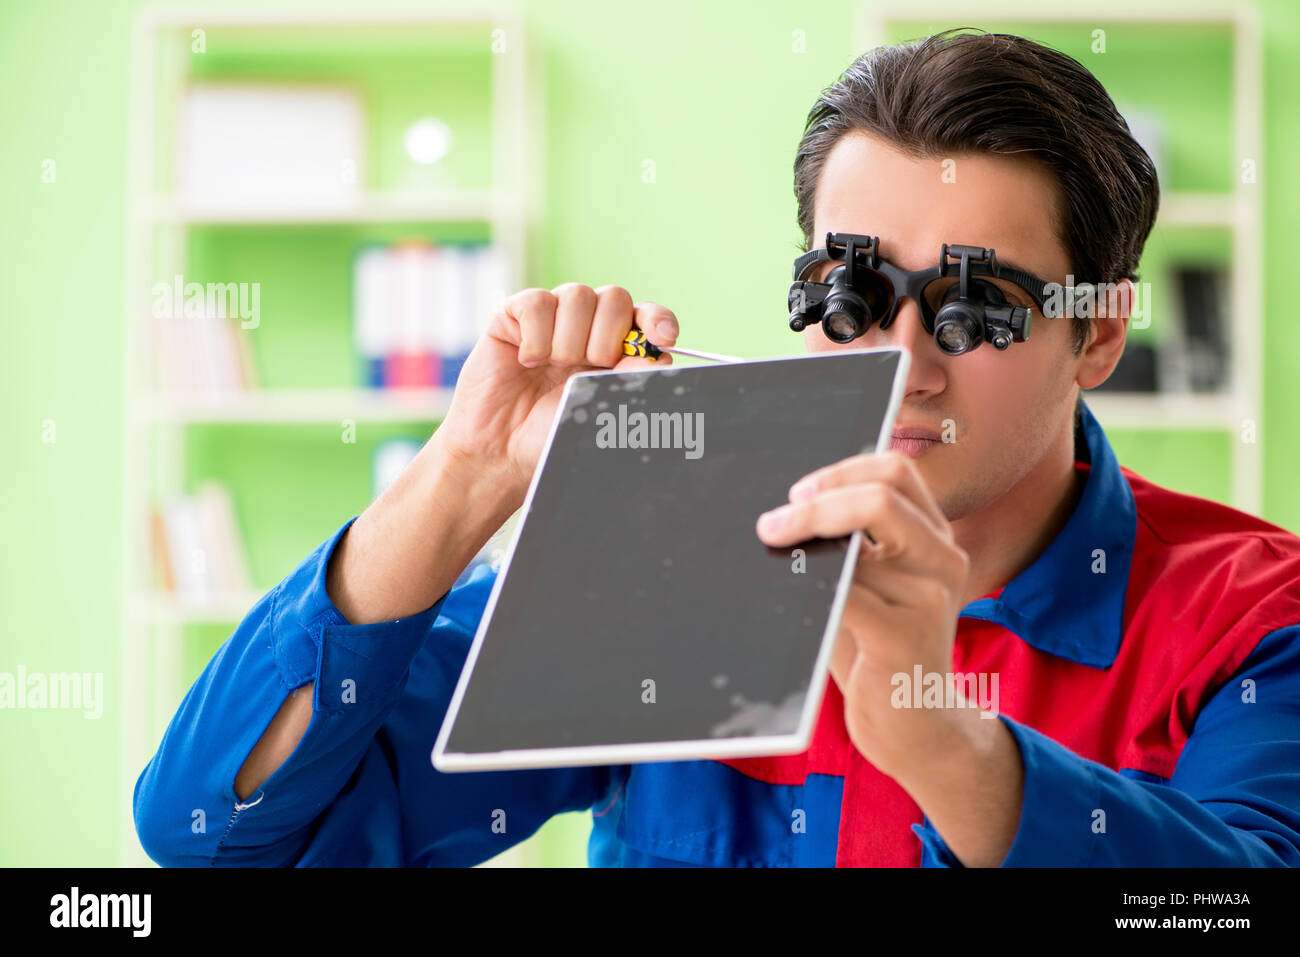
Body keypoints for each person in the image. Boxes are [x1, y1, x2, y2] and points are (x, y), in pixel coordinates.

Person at [134, 28, 1300, 867]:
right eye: (849, 289)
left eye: (973, 303)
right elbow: (216, 836)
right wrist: (465, 475)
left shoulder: (1255, 619)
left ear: (1095, 330)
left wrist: (947, 749)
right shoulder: (669, 553)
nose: (899, 360)